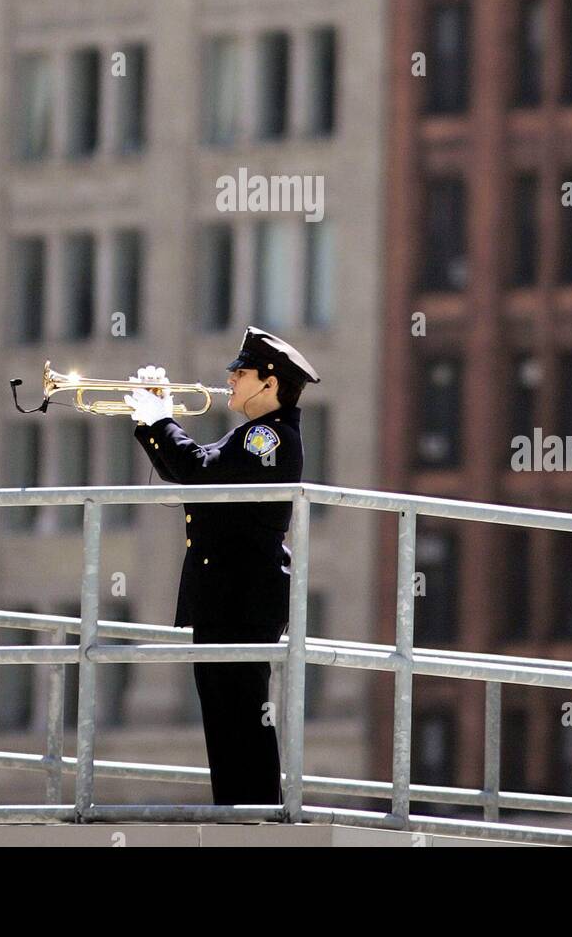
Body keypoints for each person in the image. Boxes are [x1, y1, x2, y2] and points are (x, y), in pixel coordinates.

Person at [124, 326, 320, 809]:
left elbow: (200, 471)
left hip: (241, 599)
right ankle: (241, 812)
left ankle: (251, 817)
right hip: (230, 598)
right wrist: (154, 423)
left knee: (242, 716)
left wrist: (160, 419)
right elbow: (191, 471)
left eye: (242, 372)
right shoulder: (254, 433)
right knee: (226, 716)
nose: (230, 378)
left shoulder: (265, 437)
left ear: (270, 384)